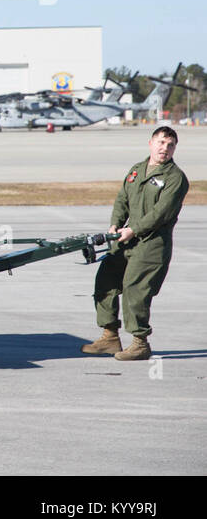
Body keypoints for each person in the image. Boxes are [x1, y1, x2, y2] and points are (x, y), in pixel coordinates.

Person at [82, 126, 189, 361]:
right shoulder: (137, 170)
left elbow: (161, 213)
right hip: (125, 239)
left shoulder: (175, 178)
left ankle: (140, 343)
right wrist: (115, 224)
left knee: (135, 289)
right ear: (150, 143)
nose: (165, 148)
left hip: (151, 244)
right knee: (106, 281)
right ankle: (109, 337)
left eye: (170, 145)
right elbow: (122, 199)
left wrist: (133, 230)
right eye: (161, 143)